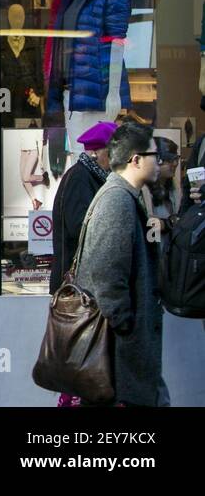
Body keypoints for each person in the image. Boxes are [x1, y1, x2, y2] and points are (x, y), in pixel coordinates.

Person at [72, 122, 169, 406]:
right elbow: (107, 276)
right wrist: (127, 327)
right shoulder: (116, 201)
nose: (159, 162)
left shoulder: (123, 196)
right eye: (154, 155)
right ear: (135, 160)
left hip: (125, 352)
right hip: (118, 353)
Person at [48, 121, 115, 294]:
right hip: (75, 282)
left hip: (86, 279)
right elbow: (79, 227)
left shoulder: (96, 176)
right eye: (112, 152)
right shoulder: (80, 177)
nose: (117, 157)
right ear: (95, 152)